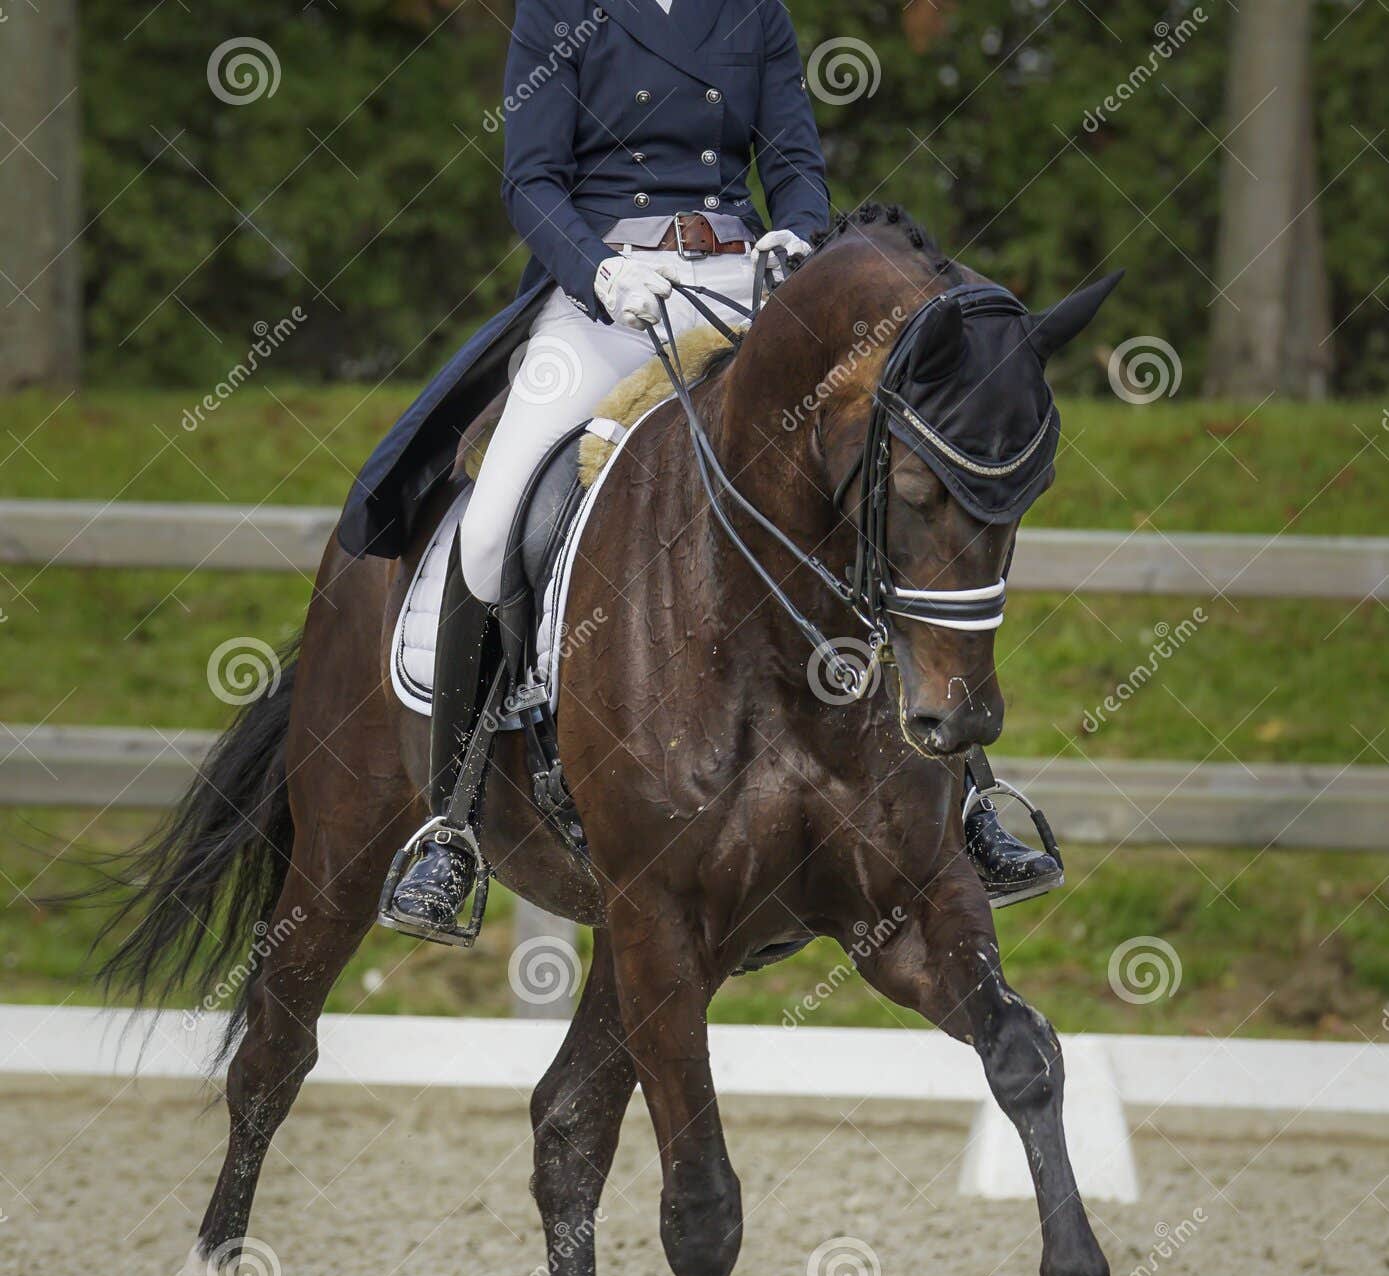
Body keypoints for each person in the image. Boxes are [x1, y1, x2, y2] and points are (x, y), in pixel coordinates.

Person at [368, 0, 1061, 937]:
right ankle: (450, 825)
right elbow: (530, 181)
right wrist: (599, 270)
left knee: (874, 481)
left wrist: (796, 233)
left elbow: (793, 161)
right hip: (610, 296)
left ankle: (972, 798)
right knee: (491, 528)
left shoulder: (751, 10)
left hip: (745, 283)